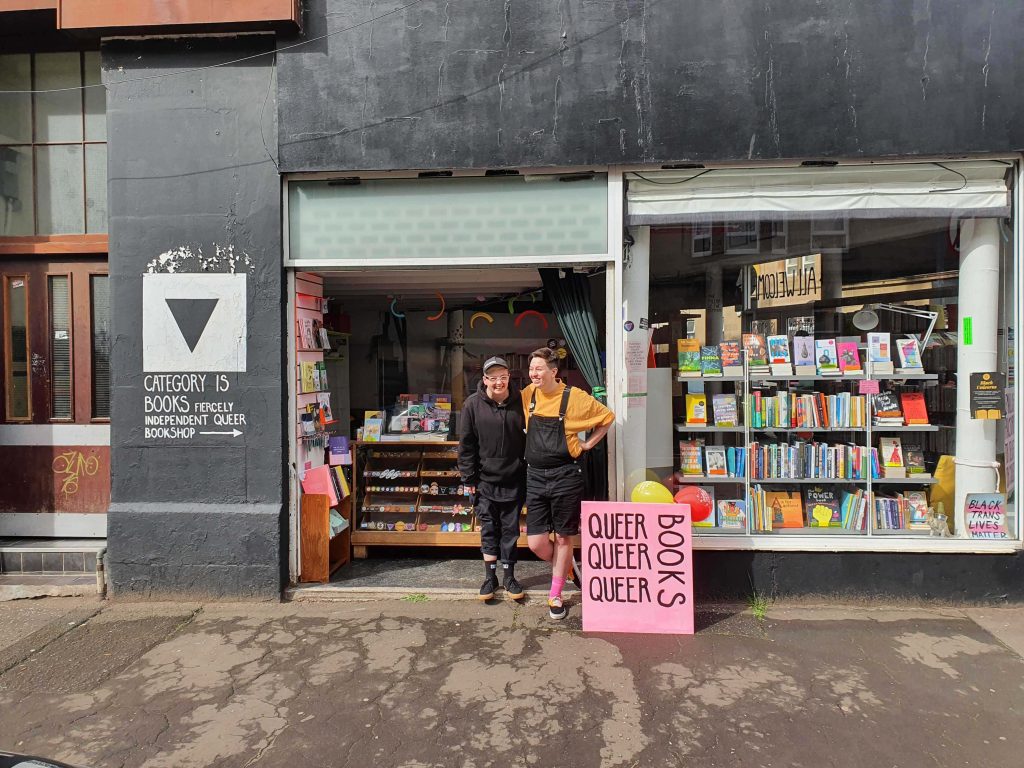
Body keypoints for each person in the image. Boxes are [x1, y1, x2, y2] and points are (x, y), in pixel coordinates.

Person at [522, 347, 614, 620]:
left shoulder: (575, 397)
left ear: (553, 371)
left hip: (566, 476)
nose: (533, 374)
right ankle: (568, 567)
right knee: (536, 543)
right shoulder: (528, 395)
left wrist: (587, 444)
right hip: (535, 476)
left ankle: (555, 594)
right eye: (531, 369)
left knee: (564, 537)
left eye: (539, 369)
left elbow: (607, 418)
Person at [458, 356, 527, 601]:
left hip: (515, 479)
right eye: (493, 377)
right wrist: (468, 479)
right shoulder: (472, 405)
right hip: (484, 481)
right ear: (484, 379)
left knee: (510, 530)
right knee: (488, 528)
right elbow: (466, 445)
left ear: (509, 378)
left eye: (503, 377)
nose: (499, 382)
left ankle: (509, 577)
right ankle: (490, 577)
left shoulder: (522, 402)